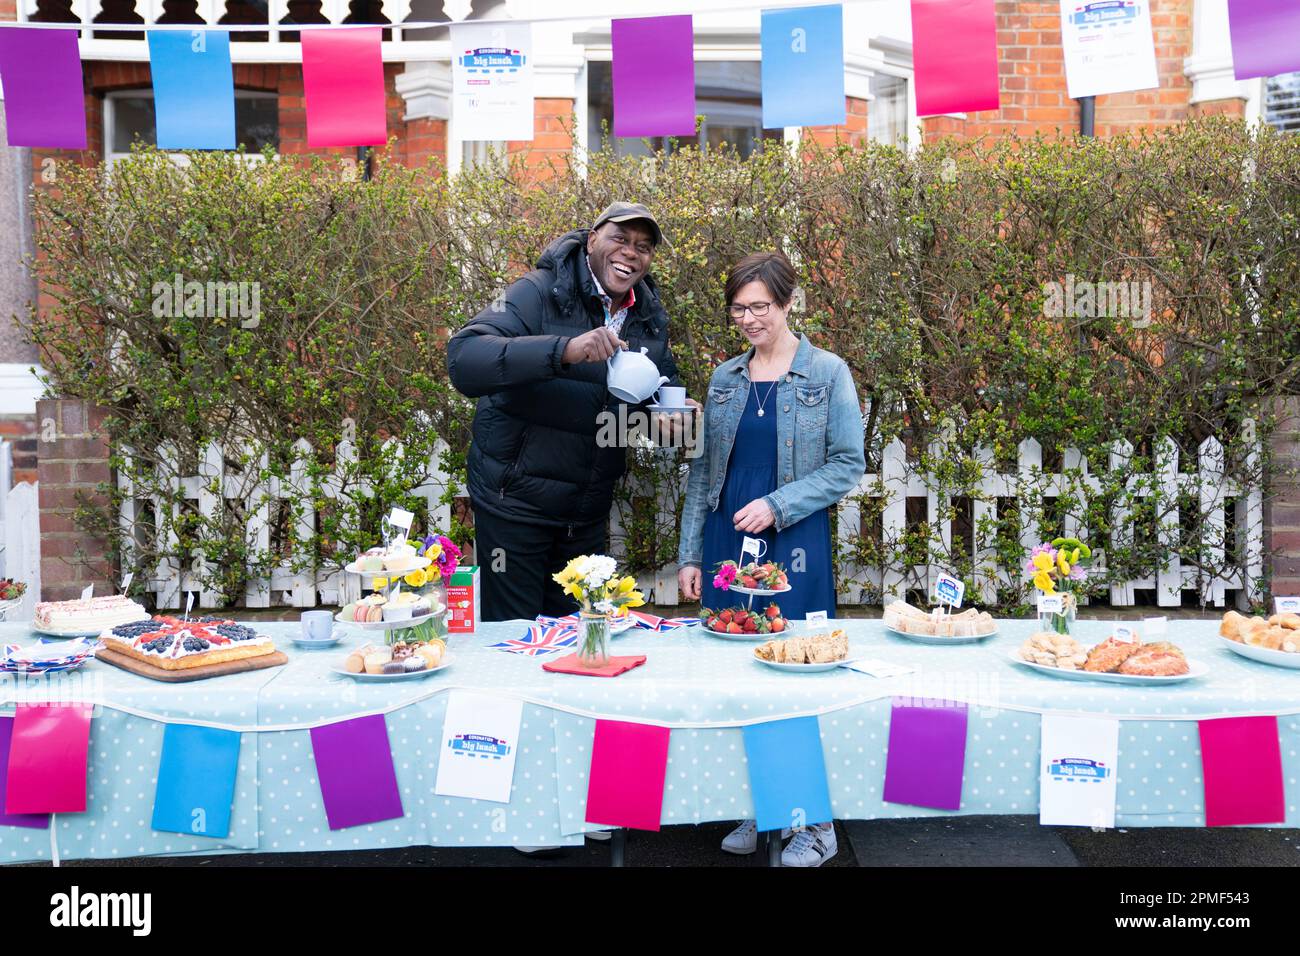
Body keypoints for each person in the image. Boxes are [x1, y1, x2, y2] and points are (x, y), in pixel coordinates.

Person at [677, 251, 866, 867]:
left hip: (793, 540)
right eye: (740, 309)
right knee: (738, 675)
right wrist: (692, 553)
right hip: (728, 537)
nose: (751, 319)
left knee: (797, 674)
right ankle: (758, 804)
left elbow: (847, 464)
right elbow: (704, 467)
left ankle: (812, 824)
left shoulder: (828, 372)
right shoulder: (725, 378)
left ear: (788, 303)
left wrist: (778, 505)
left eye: (761, 306)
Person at [447, 202, 692, 623]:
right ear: (592, 238)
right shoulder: (539, 291)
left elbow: (653, 394)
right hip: (515, 505)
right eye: (620, 239)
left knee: (579, 637)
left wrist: (678, 421)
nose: (631, 253)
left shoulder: (647, 316)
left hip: (586, 513)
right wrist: (564, 351)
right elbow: (465, 358)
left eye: (644, 246)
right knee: (514, 637)